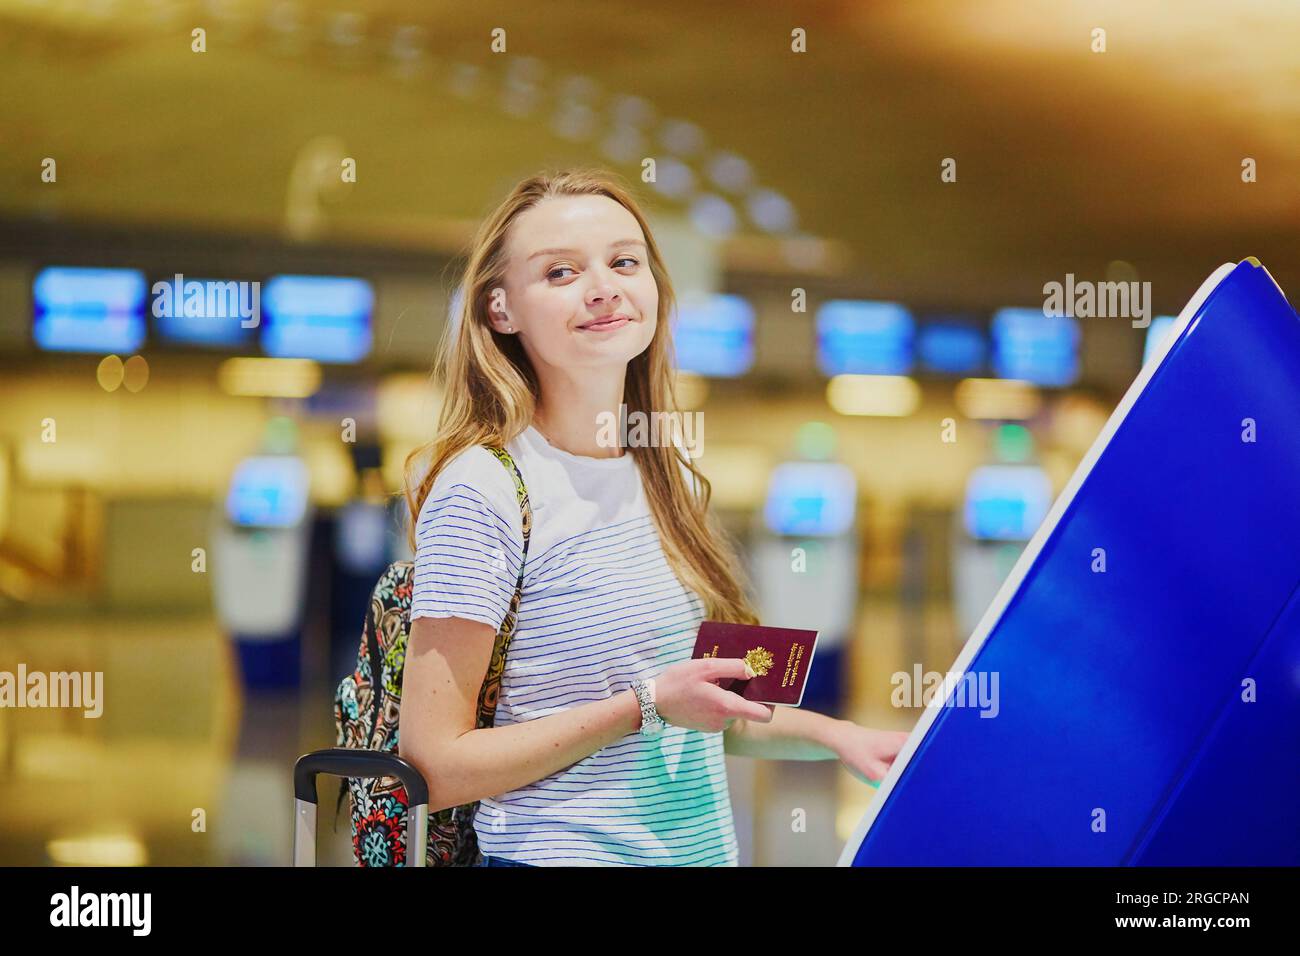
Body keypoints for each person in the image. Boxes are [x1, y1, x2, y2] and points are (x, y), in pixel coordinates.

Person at [397, 168, 908, 866]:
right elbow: (433, 765)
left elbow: (697, 703)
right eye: (560, 272)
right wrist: (642, 704)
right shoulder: (483, 489)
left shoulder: (661, 475)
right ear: (500, 309)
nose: (603, 286)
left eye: (624, 261)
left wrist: (835, 735)